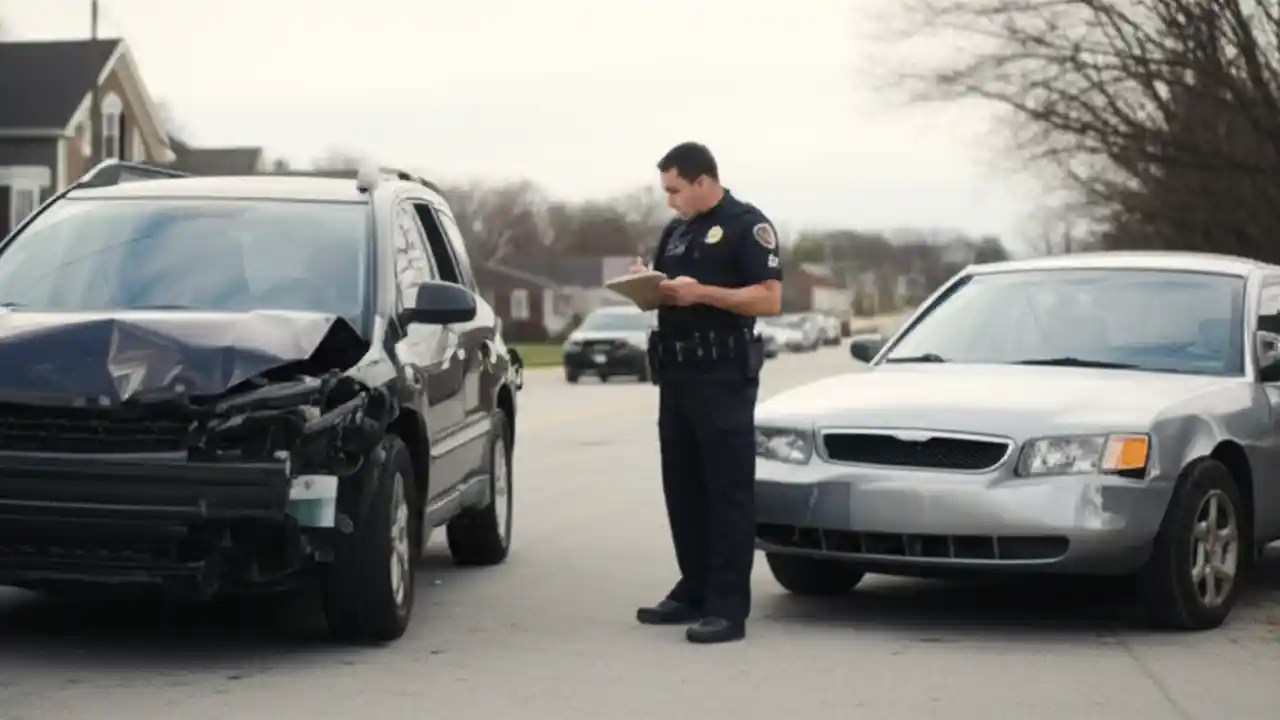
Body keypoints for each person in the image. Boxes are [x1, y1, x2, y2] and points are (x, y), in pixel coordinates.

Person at [631, 141, 783, 644]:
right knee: (684, 486)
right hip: (676, 374)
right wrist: (645, 287)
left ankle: (726, 607)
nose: (670, 200)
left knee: (726, 490)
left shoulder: (746, 224)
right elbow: (669, 292)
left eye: (675, 189)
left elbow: (769, 298)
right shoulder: (676, 232)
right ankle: (692, 588)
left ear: (703, 181)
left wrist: (702, 293)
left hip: (721, 373)